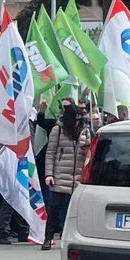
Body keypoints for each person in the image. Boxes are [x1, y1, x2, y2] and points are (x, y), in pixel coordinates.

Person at [44, 103, 91, 250]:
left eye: (80, 119)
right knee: (55, 208)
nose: (77, 122)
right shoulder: (58, 130)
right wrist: (49, 174)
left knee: (74, 210)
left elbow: (89, 153)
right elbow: (50, 153)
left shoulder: (86, 131)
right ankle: (48, 237)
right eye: (75, 119)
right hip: (60, 174)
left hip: (77, 176)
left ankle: (70, 237)